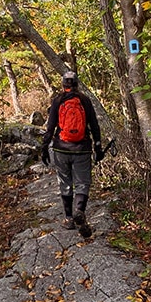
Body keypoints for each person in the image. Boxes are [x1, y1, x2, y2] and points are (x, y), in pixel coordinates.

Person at [41, 71, 104, 238]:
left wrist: (44, 148)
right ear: (77, 84)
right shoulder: (85, 101)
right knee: (82, 183)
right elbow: (95, 125)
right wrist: (98, 147)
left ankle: (69, 218)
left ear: (63, 85)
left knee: (65, 183)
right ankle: (79, 211)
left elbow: (50, 128)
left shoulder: (58, 101)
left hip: (61, 148)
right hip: (82, 148)